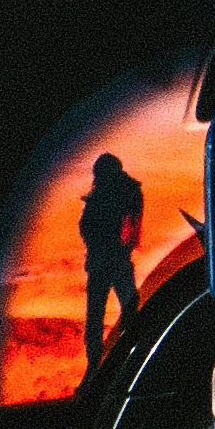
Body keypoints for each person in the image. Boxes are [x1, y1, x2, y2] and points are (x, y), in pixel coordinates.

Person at [77, 146, 144, 372]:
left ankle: (130, 361)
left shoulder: (124, 193)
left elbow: (131, 229)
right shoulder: (108, 194)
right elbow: (87, 226)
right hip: (102, 261)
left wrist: (117, 251)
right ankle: (96, 367)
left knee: (126, 312)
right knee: (97, 317)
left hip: (113, 260)